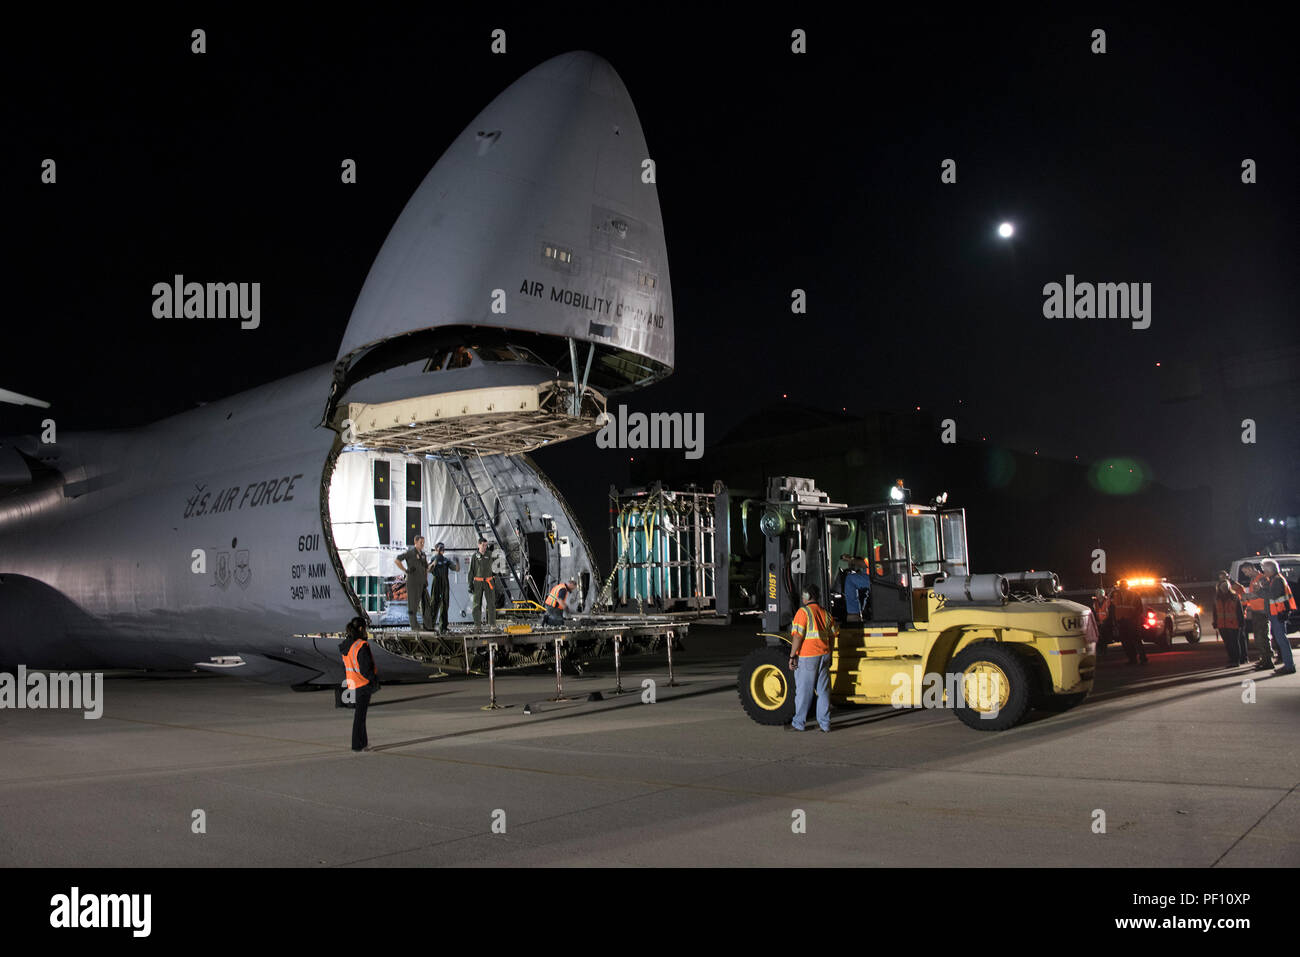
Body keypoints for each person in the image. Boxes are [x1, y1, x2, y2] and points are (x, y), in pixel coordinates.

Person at [787, 584, 837, 733]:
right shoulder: (826, 614)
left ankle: (798, 723)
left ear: (808, 596)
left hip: (808, 656)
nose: (802, 598)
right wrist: (831, 653)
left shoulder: (803, 612)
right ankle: (825, 724)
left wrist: (792, 655)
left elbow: (797, 636)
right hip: (824, 655)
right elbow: (832, 636)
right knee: (823, 691)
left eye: (803, 595)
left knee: (804, 691)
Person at [339, 616, 379, 752]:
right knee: (360, 717)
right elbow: (365, 667)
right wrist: (373, 680)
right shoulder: (360, 645)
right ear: (361, 628)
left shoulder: (347, 645)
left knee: (360, 716)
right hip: (362, 684)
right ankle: (358, 744)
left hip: (352, 683)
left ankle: (363, 743)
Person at [1260, 559, 1296, 674]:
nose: (1263, 572)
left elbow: (1273, 595)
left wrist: (1261, 591)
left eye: (1264, 570)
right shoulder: (1274, 579)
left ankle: (1289, 666)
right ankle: (1288, 664)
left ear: (1270, 570)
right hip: (1277, 614)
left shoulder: (1277, 580)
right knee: (1281, 639)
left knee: (1282, 640)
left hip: (1278, 614)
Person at [394, 535, 432, 631]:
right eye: (421, 543)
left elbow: (426, 568)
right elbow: (397, 560)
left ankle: (428, 625)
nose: (422, 544)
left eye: (423, 543)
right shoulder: (410, 553)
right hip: (413, 582)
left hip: (422, 582)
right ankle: (414, 626)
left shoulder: (423, 555)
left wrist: (430, 568)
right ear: (415, 542)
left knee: (427, 604)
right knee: (413, 605)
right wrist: (405, 570)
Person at [1241, 562, 1274, 671]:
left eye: (1246, 571)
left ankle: (1267, 661)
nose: (1245, 574)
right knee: (1258, 637)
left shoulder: (1261, 579)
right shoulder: (1254, 580)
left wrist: (1246, 596)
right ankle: (1264, 659)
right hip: (1256, 612)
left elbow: (1261, 594)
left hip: (1262, 612)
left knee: (1262, 636)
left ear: (1251, 568)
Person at [1212, 571, 1247, 667]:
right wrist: (1215, 622)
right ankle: (1232, 658)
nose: (1223, 588)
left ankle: (1236, 660)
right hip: (1222, 624)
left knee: (1234, 642)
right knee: (1227, 643)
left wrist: (1241, 622)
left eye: (1225, 586)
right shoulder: (1216, 598)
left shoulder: (1234, 597)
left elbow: (1239, 611)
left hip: (1233, 623)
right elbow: (1215, 612)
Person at [429, 542, 458, 634]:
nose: (442, 549)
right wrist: (433, 563)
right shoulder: (433, 558)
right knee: (434, 604)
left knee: (445, 604)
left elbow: (456, 569)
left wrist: (457, 562)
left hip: (445, 582)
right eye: (440, 547)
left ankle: (443, 626)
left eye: (443, 548)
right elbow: (428, 570)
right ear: (436, 548)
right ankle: (430, 626)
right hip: (437, 581)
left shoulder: (446, 560)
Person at [468, 538, 497, 630]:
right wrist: (470, 584)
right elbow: (471, 571)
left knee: (491, 603)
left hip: (489, 582)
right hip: (478, 582)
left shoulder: (490, 555)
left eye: (486, 545)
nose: (485, 547)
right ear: (479, 545)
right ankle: (477, 625)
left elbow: (495, 567)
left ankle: (492, 624)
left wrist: (494, 577)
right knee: (477, 604)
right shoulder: (474, 557)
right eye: (483, 545)